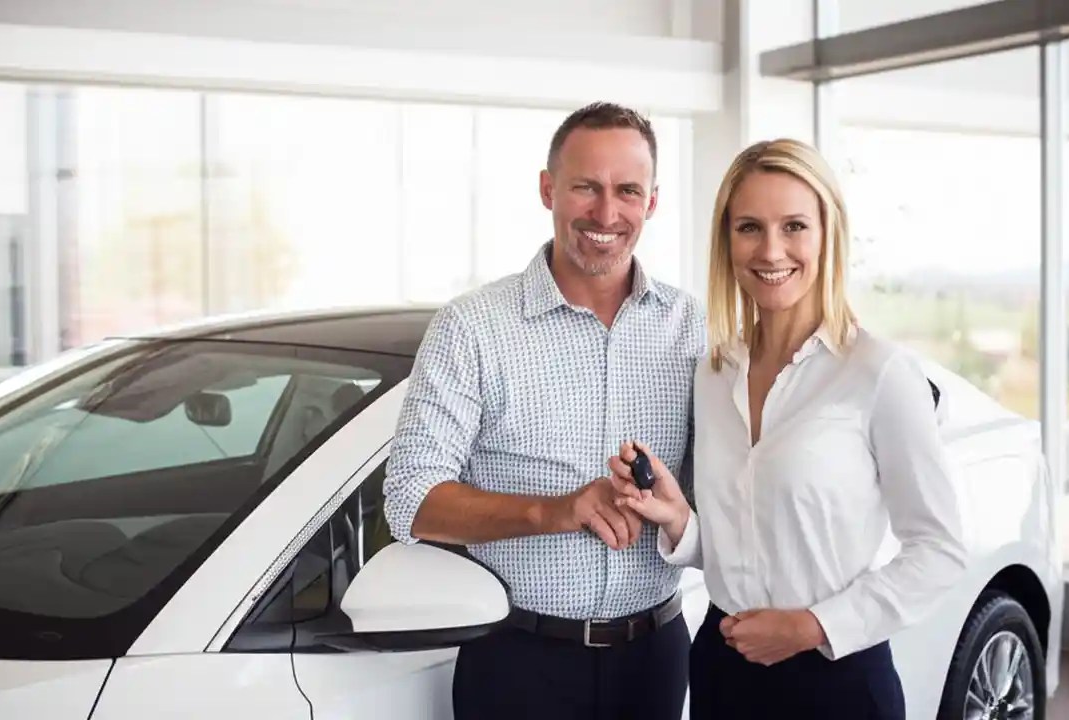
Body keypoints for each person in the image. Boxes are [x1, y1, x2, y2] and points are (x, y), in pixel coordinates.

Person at [609, 138, 968, 719]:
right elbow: (749, 550)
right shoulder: (715, 372)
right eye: (749, 227)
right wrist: (679, 521)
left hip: (836, 681)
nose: (771, 250)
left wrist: (811, 627)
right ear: (727, 241)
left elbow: (940, 550)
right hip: (723, 667)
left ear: (828, 233)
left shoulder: (878, 372)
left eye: (794, 226)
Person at [383, 102, 705, 720]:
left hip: (656, 659)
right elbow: (410, 500)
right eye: (586, 187)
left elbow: (722, 502)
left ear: (652, 202)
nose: (605, 214)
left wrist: (679, 511)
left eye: (627, 191)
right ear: (548, 189)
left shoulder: (695, 330)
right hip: (518, 664)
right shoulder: (472, 327)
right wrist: (556, 511)